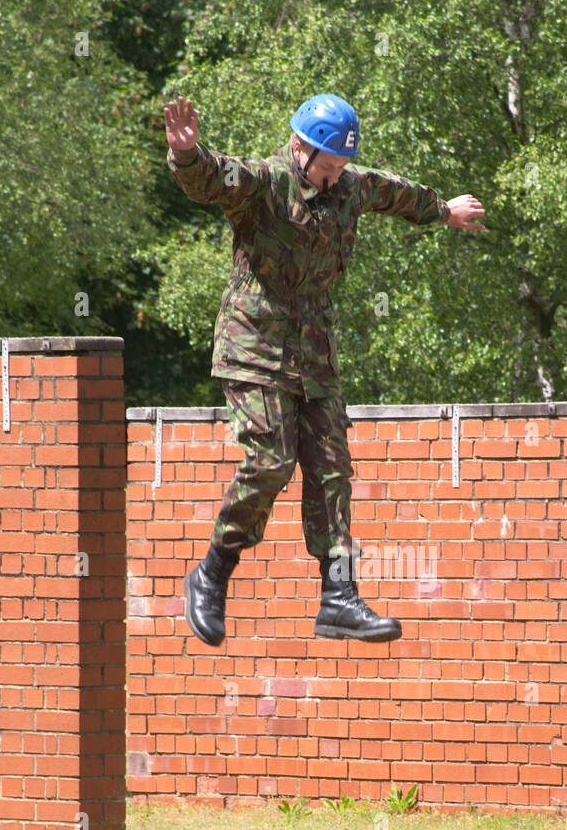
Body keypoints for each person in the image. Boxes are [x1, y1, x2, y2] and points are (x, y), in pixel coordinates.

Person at [164, 91, 485, 646]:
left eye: (341, 168)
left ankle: (339, 597)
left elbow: (394, 192)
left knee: (333, 470)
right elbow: (214, 179)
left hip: (315, 352)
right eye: (329, 167)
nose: (336, 179)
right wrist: (187, 155)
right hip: (254, 347)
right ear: (299, 149)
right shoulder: (265, 184)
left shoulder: (351, 187)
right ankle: (211, 575)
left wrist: (444, 211)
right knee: (271, 460)